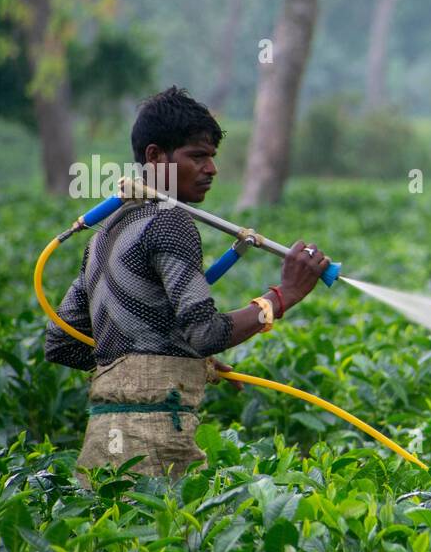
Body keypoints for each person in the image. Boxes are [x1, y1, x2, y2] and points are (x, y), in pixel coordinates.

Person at [45, 86, 330, 484]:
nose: (211, 169)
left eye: (212, 157)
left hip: (102, 445)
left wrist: (158, 354)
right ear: (155, 157)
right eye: (197, 156)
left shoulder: (105, 233)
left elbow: (61, 343)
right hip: (155, 444)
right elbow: (205, 333)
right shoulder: (170, 222)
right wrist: (284, 296)